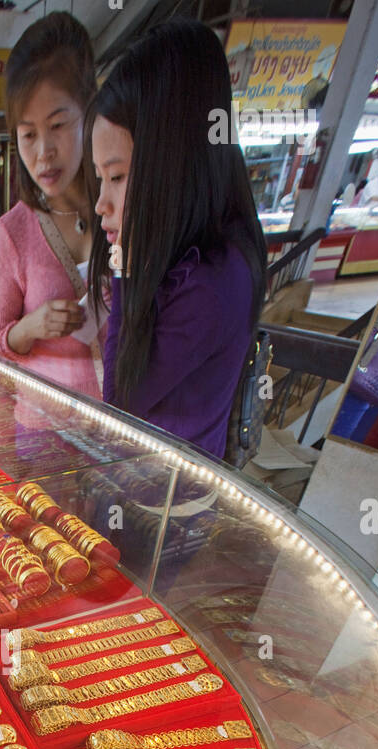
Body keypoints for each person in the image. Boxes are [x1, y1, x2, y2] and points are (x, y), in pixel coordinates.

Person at [89, 18, 267, 457]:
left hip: (171, 515)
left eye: (116, 176)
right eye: (99, 178)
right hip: (143, 495)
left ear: (171, 165)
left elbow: (120, 399)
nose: (99, 204)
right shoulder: (185, 251)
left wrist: (122, 267)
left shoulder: (216, 280)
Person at [0, 12, 101, 397]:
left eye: (58, 125)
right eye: (28, 134)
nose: (43, 153)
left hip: (125, 426)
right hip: (42, 436)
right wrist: (30, 327)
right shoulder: (12, 232)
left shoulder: (123, 211)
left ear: (89, 113)